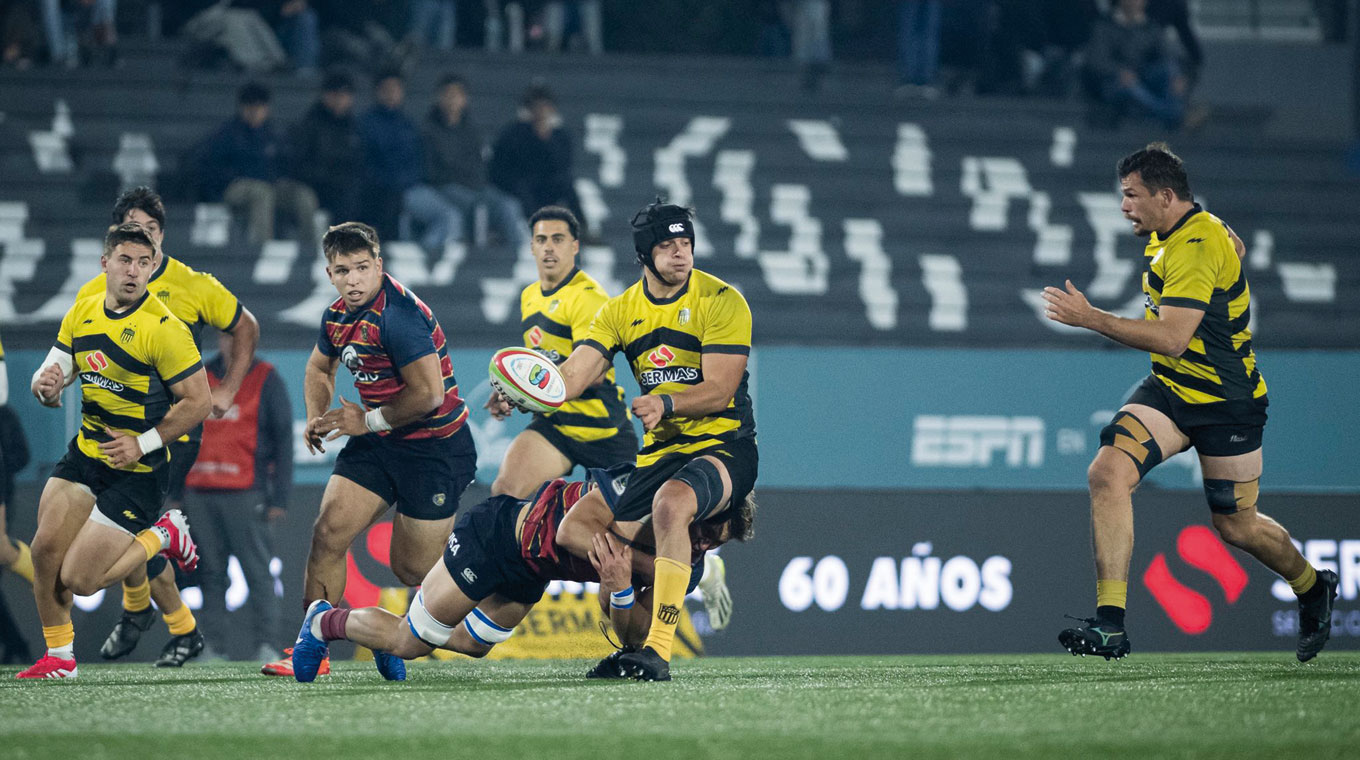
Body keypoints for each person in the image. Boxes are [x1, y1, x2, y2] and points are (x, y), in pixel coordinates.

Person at [1042, 143, 1339, 662]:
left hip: (1227, 399)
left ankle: (1313, 587)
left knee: (1236, 525)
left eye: (1131, 195)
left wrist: (1090, 318)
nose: (1124, 206)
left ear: (1165, 196)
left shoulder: (1196, 244)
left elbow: (1174, 338)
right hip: (1173, 390)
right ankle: (1110, 624)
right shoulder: (1185, 228)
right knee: (1107, 473)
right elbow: (1236, 247)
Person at [534, 199, 757, 681]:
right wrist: (529, 391)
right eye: (667, 245)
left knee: (671, 505)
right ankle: (668, 591)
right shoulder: (620, 311)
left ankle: (658, 649)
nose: (681, 254)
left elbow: (720, 389)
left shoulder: (722, 301)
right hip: (661, 452)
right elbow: (573, 376)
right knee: (578, 531)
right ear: (644, 255)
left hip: (724, 445)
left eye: (686, 244)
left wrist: (666, 403)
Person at [288, 463, 755, 682]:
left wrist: (619, 593)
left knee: (471, 646)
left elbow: (632, 637)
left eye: (715, 544)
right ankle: (325, 620)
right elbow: (572, 531)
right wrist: (639, 567)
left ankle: (391, 633)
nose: (702, 546)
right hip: (495, 537)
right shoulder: (643, 490)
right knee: (411, 643)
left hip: (530, 570)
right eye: (706, 531)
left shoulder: (684, 569)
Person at [261, 221, 477, 677]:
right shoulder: (337, 315)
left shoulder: (398, 316)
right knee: (327, 533)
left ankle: (380, 632)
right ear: (330, 273)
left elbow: (429, 395)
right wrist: (318, 415)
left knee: (410, 569)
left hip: (435, 449)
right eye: (343, 271)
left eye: (362, 268)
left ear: (379, 265)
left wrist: (368, 420)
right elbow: (319, 368)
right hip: (380, 441)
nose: (354, 279)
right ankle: (313, 646)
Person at [79, 186, 261, 668]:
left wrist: (226, 391)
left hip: (171, 432)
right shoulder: (106, 285)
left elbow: (246, 327)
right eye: (134, 234)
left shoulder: (192, 284)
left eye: (152, 233)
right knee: (122, 529)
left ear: (162, 237)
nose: (144, 245)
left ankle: (146, 607)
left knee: (123, 526)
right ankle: (175, 626)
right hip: (115, 431)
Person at [18, 223, 208, 680]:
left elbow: (199, 402)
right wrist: (44, 386)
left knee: (82, 581)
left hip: (139, 470)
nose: (135, 271)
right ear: (105, 263)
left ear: (153, 268)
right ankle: (60, 660)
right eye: (125, 260)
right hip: (86, 454)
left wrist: (141, 443)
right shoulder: (83, 310)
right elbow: (56, 370)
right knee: (44, 550)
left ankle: (163, 536)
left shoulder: (164, 328)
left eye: (145, 263)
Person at [485, 206, 634, 497]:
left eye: (558, 239)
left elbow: (592, 375)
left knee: (626, 525)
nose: (549, 248)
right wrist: (509, 389)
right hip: (556, 425)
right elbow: (536, 363)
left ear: (575, 246)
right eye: (541, 240)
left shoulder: (588, 297)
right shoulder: (529, 295)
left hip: (603, 430)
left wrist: (526, 389)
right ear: (531, 246)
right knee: (504, 492)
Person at [184, 332, 293, 663]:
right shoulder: (199, 376)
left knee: (258, 573)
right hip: (199, 491)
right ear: (219, 340)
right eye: (228, 337)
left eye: (240, 337)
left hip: (247, 492)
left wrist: (280, 499)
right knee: (210, 575)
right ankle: (212, 647)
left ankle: (269, 646)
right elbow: (180, 432)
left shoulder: (266, 378)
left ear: (252, 342)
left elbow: (284, 440)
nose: (233, 343)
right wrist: (175, 491)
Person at [201, 82, 320, 247]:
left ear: (267, 109)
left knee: (303, 195)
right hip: (234, 186)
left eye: (260, 107)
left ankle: (312, 250)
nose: (255, 112)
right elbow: (215, 169)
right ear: (241, 108)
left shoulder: (274, 134)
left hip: (270, 184)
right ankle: (261, 248)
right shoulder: (228, 134)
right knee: (262, 193)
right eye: (250, 107)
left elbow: (285, 165)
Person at [358, 69, 463, 255]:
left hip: (413, 186)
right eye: (387, 89)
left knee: (453, 215)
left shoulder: (409, 124)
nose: (392, 94)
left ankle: (425, 255)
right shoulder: (366, 124)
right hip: (386, 191)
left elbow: (418, 161)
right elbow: (368, 165)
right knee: (448, 217)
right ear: (377, 92)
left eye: (396, 89)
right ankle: (421, 259)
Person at [422, 73, 528, 253]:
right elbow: (433, 170)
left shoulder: (472, 131)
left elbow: (479, 166)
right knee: (468, 206)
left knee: (509, 206)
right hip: (444, 188)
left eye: (457, 95)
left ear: (465, 99)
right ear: (438, 98)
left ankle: (522, 256)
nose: (452, 100)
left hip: (476, 188)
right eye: (447, 94)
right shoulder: (428, 130)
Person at [489, 84, 585, 235]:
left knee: (567, 184)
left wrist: (547, 140)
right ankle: (535, 227)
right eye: (536, 107)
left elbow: (563, 166)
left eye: (545, 107)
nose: (541, 112)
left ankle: (583, 229)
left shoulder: (560, 136)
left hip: (546, 185)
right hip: (518, 184)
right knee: (522, 186)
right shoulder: (513, 133)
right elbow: (506, 166)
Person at [1085, 0, 1186, 130]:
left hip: (1142, 77)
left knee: (1170, 71)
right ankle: (1172, 115)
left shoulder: (1150, 27)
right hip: (1114, 82)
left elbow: (1167, 55)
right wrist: (1119, 72)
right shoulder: (1104, 26)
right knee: (1131, 87)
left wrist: (1176, 76)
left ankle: (1169, 113)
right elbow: (1097, 61)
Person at [289, 68, 363, 226]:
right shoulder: (309, 125)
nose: (339, 100)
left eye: (344, 95)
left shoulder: (356, 127)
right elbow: (299, 164)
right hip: (317, 185)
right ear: (325, 96)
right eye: (335, 95)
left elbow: (360, 161)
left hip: (346, 185)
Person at [0, 329, 34, 664]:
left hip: (3, 492)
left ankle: (50, 583)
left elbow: (21, 456)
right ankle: (16, 645)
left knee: (2, 550)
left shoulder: (4, 416)